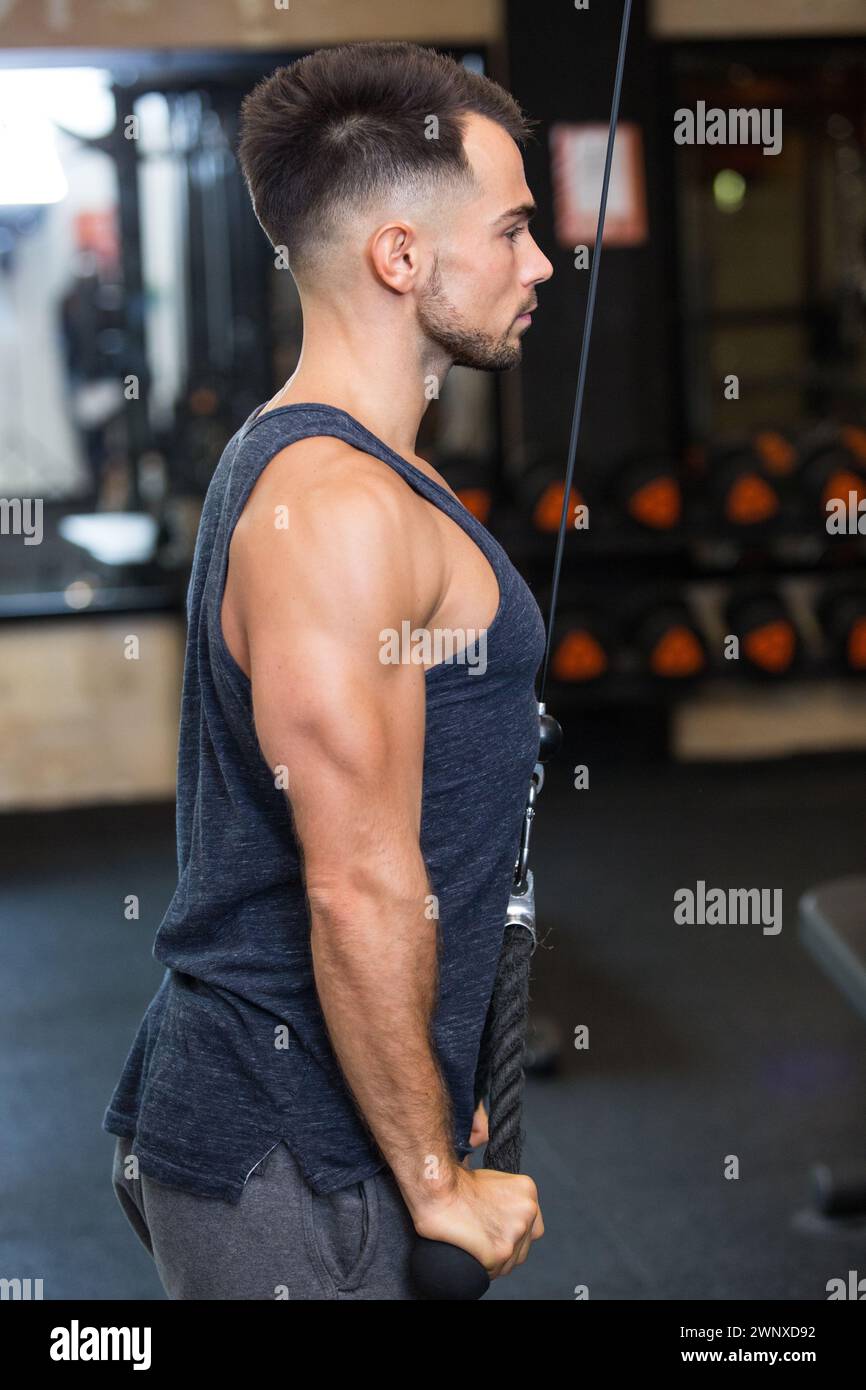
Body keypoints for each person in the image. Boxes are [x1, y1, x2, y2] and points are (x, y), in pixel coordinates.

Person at [104, 38, 552, 1300]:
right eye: (512, 229)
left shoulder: (312, 461)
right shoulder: (339, 507)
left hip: (322, 1114)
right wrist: (431, 1175)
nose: (538, 262)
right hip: (286, 1150)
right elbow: (357, 881)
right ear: (400, 257)